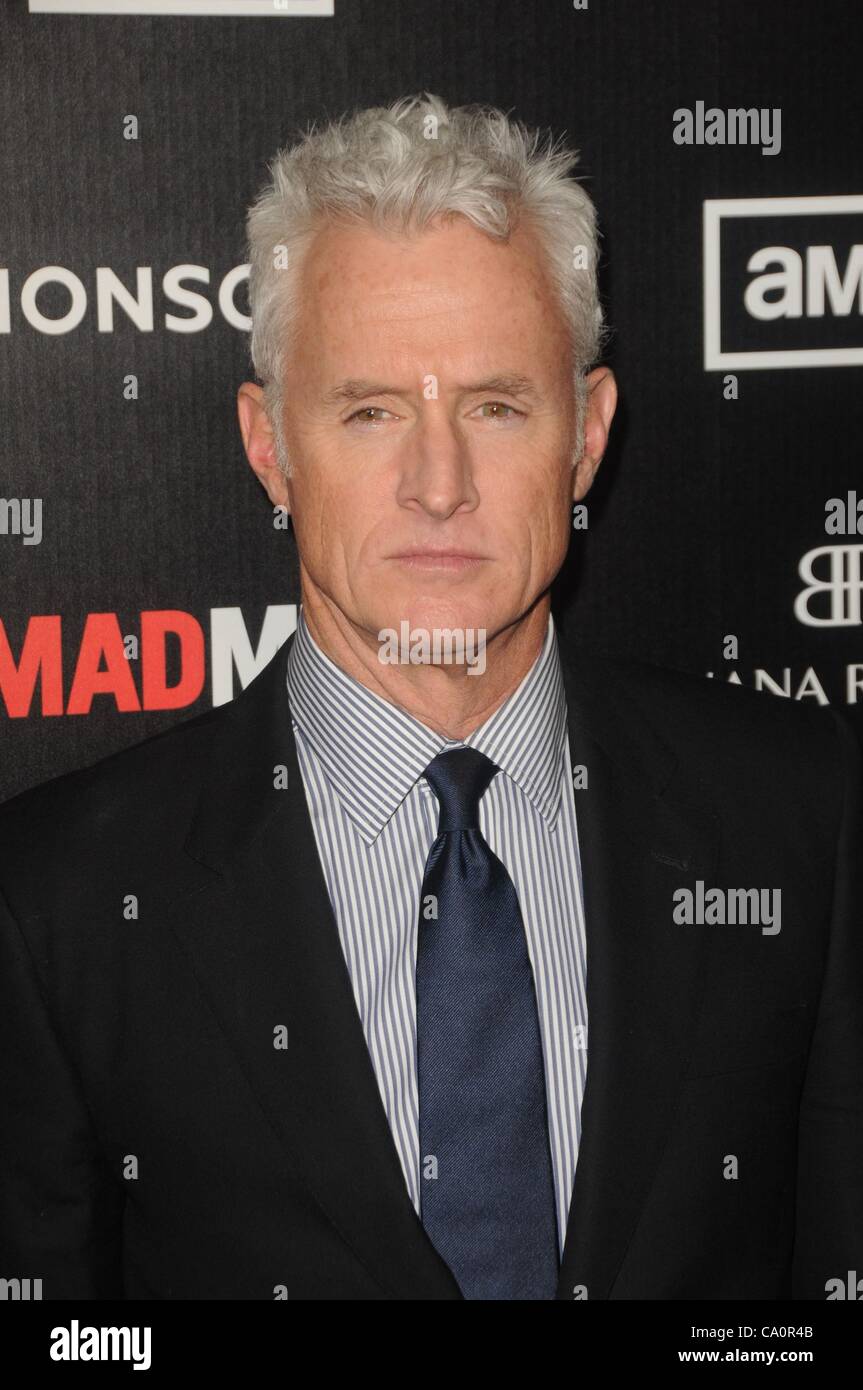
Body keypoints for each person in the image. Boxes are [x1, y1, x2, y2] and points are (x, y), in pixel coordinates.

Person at [1, 93, 860, 1301]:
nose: (438, 483)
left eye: (495, 406)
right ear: (268, 447)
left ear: (588, 435)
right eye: (370, 411)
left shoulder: (801, 818)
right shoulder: (57, 902)